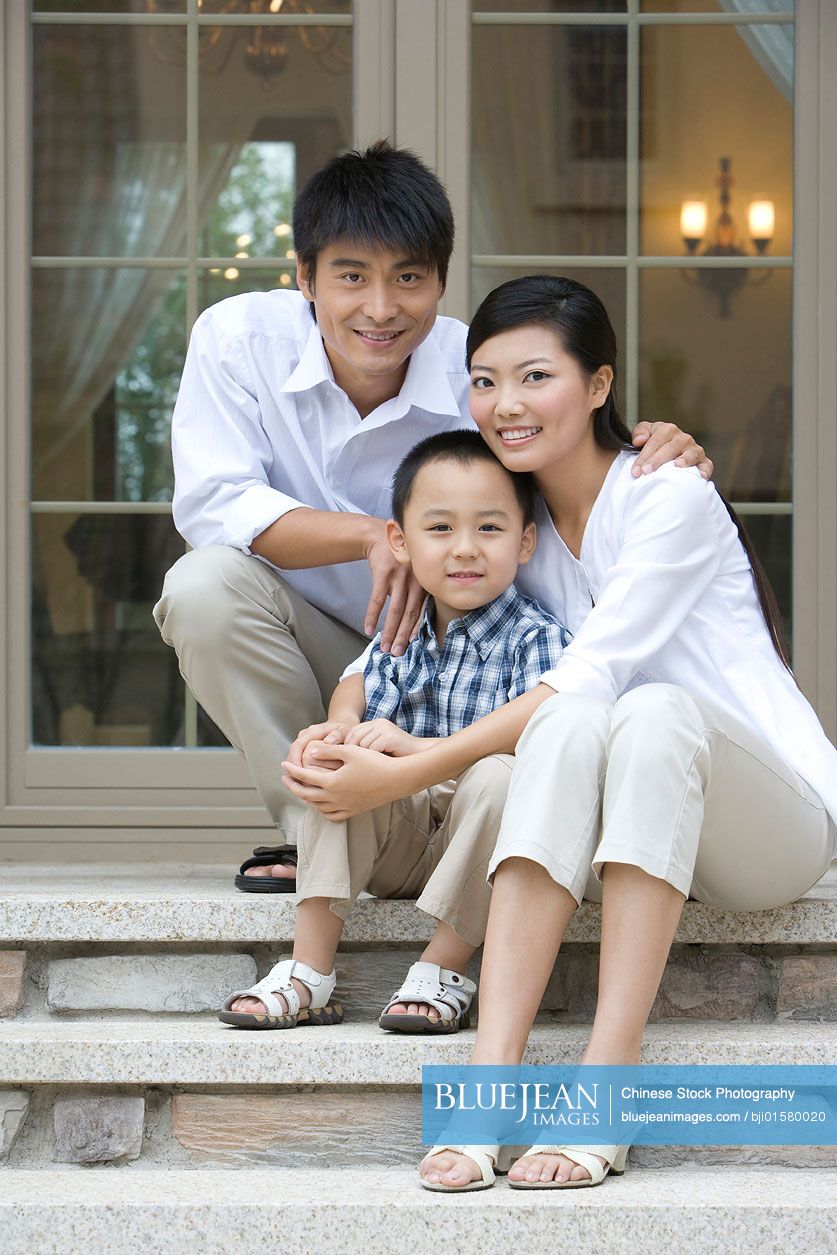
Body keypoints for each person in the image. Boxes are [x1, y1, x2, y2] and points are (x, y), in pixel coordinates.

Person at [279, 275, 837, 1194]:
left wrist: (414, 769)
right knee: (576, 720)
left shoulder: (668, 498)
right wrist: (353, 731)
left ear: (600, 386)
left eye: (535, 376)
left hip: (762, 832)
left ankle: (605, 1089)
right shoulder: (517, 533)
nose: (506, 404)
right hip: (640, 835)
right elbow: (472, 666)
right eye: (485, 381)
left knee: (634, 704)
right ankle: (487, 1083)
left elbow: (586, 670)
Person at [152, 142, 710, 892]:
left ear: (441, 282)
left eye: (408, 278)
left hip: (460, 655)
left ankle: (463, 835)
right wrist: (370, 539)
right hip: (317, 643)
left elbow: (561, 439)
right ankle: (322, 828)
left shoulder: (473, 372)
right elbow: (215, 505)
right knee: (202, 588)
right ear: (303, 276)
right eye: (351, 276)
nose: (380, 309)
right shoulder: (237, 340)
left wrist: (650, 439)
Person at [218, 429, 569, 1033]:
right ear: (399, 543)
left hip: (483, 853)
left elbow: (544, 743)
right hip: (401, 848)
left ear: (526, 540)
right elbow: (357, 683)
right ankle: (310, 970)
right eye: (440, 529)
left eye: (489, 528)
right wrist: (340, 727)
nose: (465, 549)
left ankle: (444, 967)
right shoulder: (402, 629)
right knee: (337, 757)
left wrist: (418, 750)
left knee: (500, 775)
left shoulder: (536, 638)